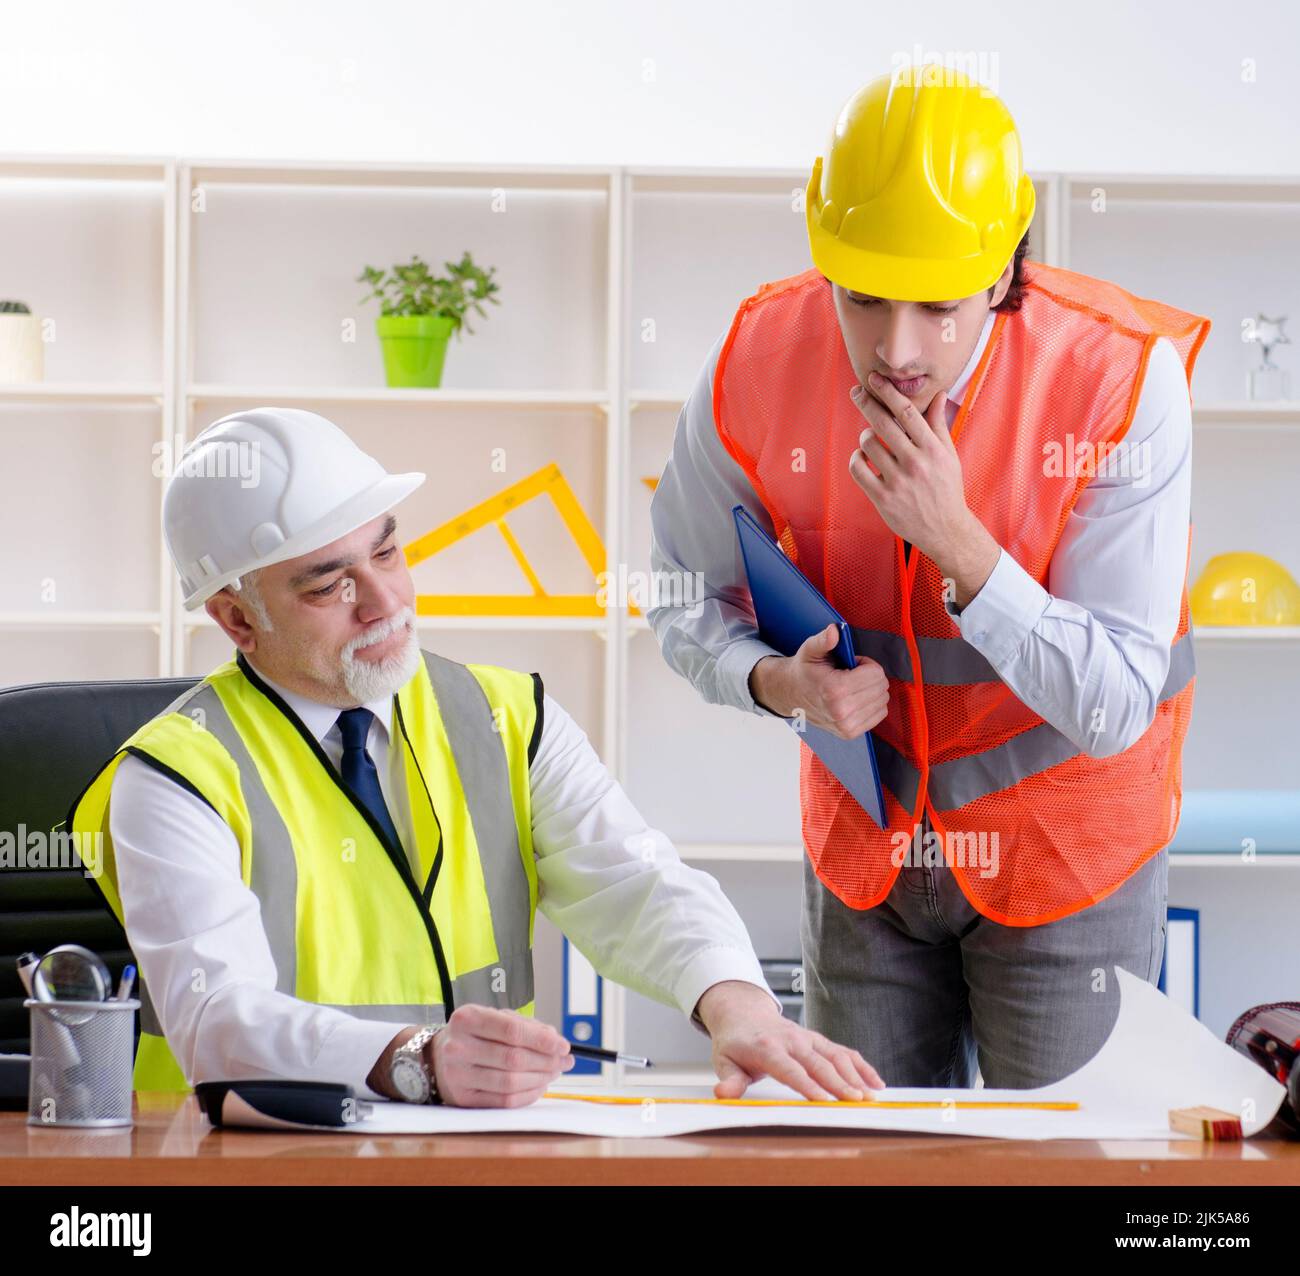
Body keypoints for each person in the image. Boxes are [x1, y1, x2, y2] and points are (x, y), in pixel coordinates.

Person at [647, 64, 1211, 1088]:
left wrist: (964, 549)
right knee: (861, 1160)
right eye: (862, 297)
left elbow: (1117, 701)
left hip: (1064, 852)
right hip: (867, 852)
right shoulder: (753, 359)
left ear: (1002, 274)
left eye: (938, 304)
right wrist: (772, 682)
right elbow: (683, 589)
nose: (896, 348)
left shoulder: (1119, 382)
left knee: (1064, 1171)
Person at [67, 407, 883, 1107]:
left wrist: (737, 1005)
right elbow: (217, 1021)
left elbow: (634, 883)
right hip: (251, 1163)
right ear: (238, 621)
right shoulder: (175, 775)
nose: (385, 601)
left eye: (386, 552)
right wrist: (417, 1063)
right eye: (328, 586)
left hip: (470, 1152)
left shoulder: (503, 716)